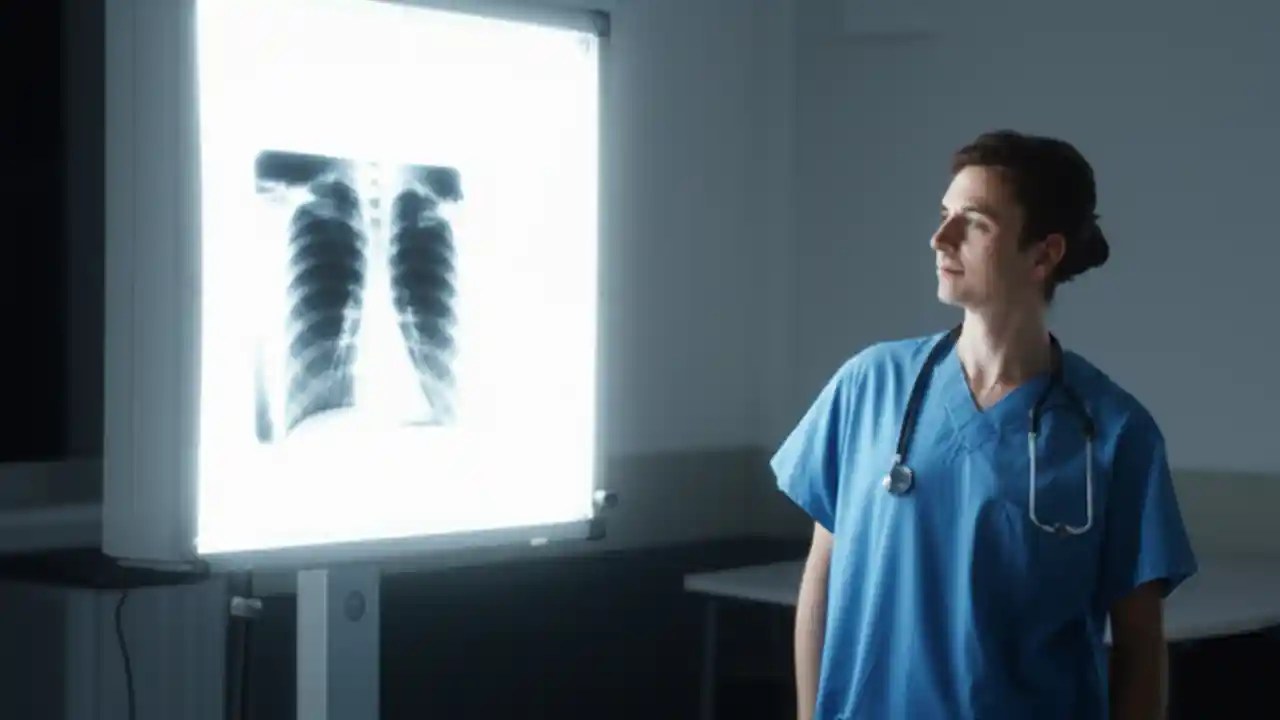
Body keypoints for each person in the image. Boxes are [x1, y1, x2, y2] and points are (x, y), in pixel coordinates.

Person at [772, 129, 1198, 720]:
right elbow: (822, 582)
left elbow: (1140, 648)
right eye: (945, 214)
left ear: (1044, 254)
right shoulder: (869, 386)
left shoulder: (1116, 434)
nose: (940, 237)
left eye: (974, 222)